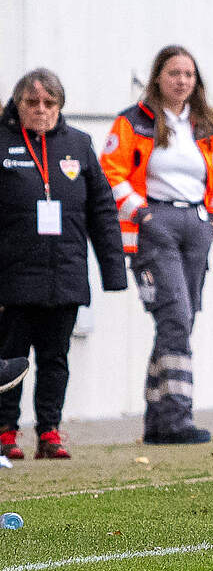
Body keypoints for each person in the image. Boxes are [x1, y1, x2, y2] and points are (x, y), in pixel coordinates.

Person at [101, 46, 213, 446]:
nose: (182, 81)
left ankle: (158, 420)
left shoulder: (206, 124)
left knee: (182, 319)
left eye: (189, 74)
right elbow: (112, 170)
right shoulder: (133, 122)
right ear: (157, 77)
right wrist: (141, 214)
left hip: (196, 224)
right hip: (154, 225)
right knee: (175, 316)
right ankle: (176, 418)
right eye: (174, 73)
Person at [0, 69, 125, 459]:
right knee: (10, 360)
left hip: (65, 276)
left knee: (55, 360)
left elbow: (103, 211)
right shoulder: (2, 144)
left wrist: (113, 271)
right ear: (17, 106)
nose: (40, 110)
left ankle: (49, 432)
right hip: (13, 278)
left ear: (60, 107)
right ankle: (5, 432)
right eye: (31, 102)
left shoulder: (79, 145)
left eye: (49, 103)